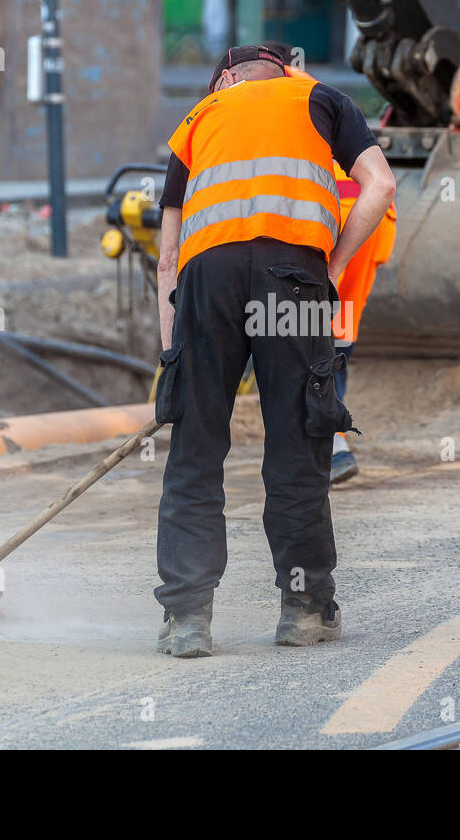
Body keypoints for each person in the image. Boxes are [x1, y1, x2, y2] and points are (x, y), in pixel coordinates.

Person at [152, 45, 396, 657]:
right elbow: (381, 184)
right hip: (295, 278)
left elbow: (166, 256)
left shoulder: (199, 118)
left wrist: (173, 358)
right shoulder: (322, 99)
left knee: (197, 446)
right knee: (297, 443)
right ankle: (305, 611)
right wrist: (333, 266)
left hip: (208, 280)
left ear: (228, 78)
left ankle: (188, 618)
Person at [261, 41, 398, 484]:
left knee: (295, 334)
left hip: (321, 219)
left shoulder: (263, 97)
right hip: (369, 220)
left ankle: (327, 444)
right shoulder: (322, 95)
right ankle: (332, 441)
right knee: (334, 333)